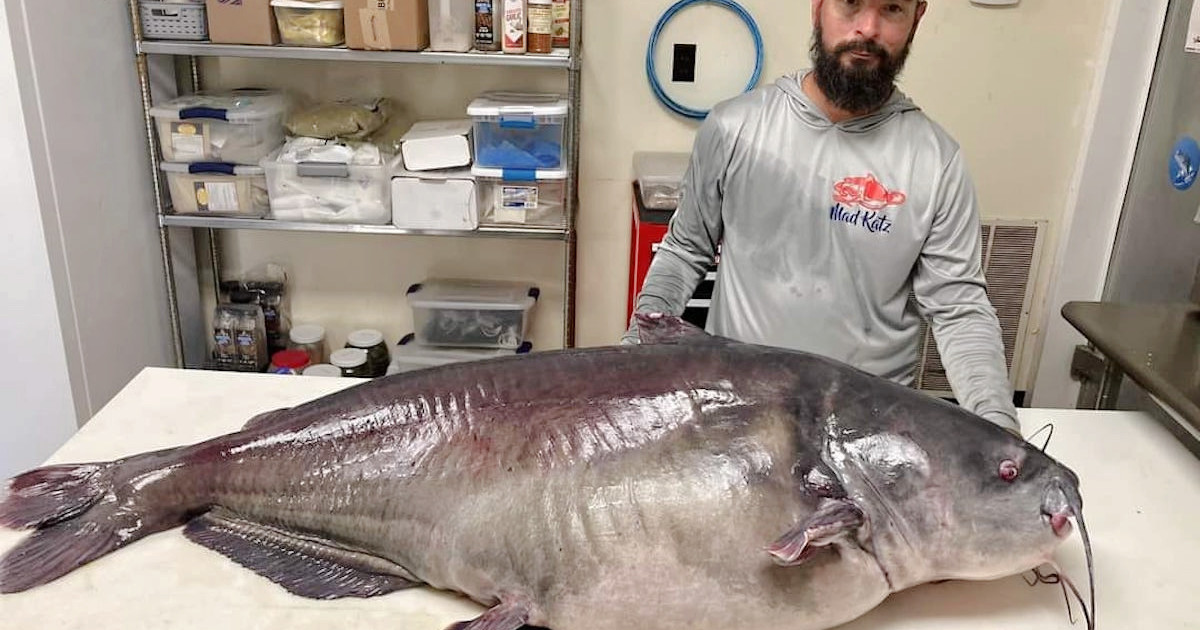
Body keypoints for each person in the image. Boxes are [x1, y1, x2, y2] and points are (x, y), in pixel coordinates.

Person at [623, 0, 1021, 434]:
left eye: (891, 8)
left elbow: (959, 309)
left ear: (917, 17)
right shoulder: (735, 128)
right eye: (851, 4)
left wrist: (998, 427)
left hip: (868, 435)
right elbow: (684, 251)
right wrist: (631, 356)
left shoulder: (936, 160)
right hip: (739, 415)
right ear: (818, 7)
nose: (868, 28)